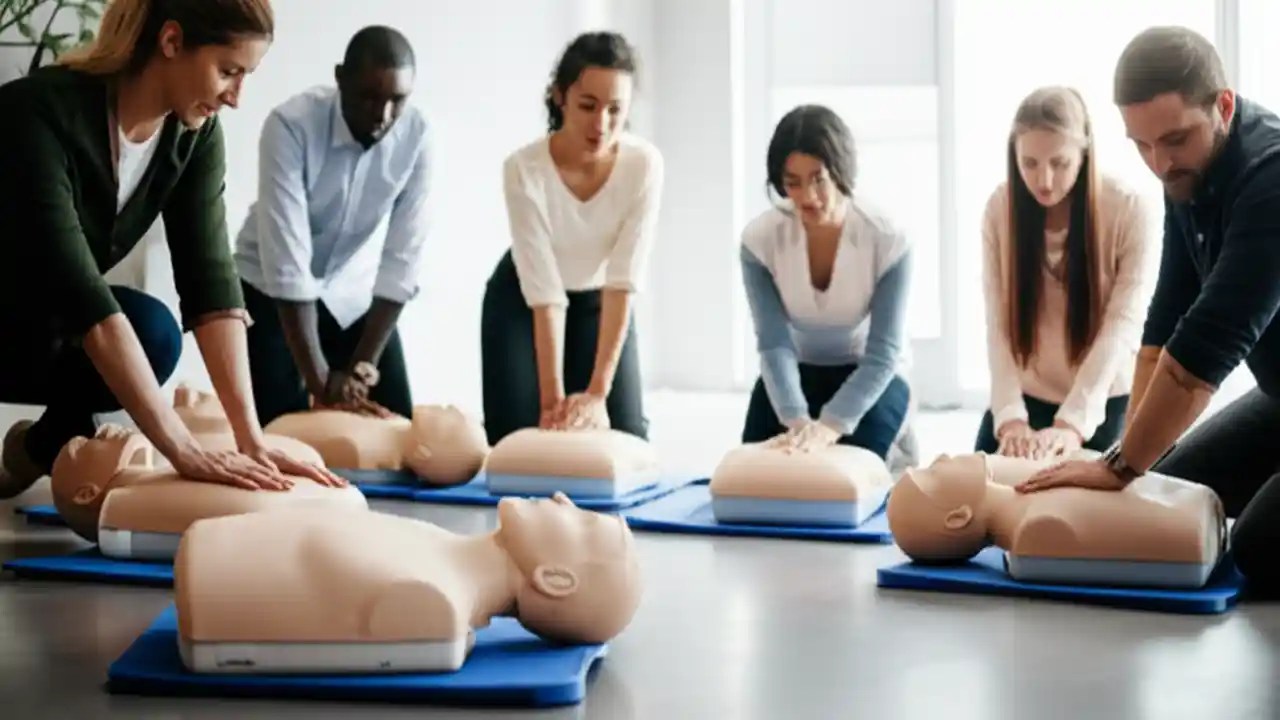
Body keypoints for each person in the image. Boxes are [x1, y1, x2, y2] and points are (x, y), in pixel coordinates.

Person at [0, 0, 342, 499]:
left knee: (154, 332)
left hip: (41, 321)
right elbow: (82, 296)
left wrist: (252, 440)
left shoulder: (193, 136)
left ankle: (28, 453)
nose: (236, 97)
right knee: (113, 325)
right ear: (171, 41)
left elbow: (211, 282)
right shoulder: (35, 113)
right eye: (228, 71)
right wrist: (182, 449)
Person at [1017, 26, 1280, 593]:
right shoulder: (1186, 167)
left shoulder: (1272, 181)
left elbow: (1206, 350)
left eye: (1175, 140)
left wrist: (1115, 467)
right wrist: (1128, 458)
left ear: (1224, 107)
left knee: (1261, 548)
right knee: (1164, 484)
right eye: (1141, 144)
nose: (1158, 163)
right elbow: (1166, 320)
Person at [234, 25, 429, 425]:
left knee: (397, 425)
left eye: (398, 100)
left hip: (348, 292)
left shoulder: (418, 136)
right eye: (370, 97)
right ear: (340, 78)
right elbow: (287, 263)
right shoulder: (289, 126)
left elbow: (401, 263)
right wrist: (319, 381)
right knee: (283, 430)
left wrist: (360, 372)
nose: (383, 115)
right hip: (267, 291)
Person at [480, 32, 664, 446]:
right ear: (560, 97)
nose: (601, 125)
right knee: (521, 441)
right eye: (587, 106)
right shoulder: (523, 169)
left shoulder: (644, 165)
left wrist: (598, 393)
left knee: (628, 437)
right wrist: (552, 403)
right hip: (523, 301)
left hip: (600, 297)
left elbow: (622, 280)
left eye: (616, 110)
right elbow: (545, 293)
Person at [975, 87, 1153, 460]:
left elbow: (1122, 325)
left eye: (1059, 163)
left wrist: (1072, 425)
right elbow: (997, 323)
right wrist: (1009, 418)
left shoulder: (1129, 209)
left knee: (1077, 507)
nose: (1044, 180)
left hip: (1103, 397)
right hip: (1026, 394)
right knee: (979, 498)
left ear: (1084, 154)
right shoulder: (999, 209)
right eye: (1030, 164)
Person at [738, 105, 912, 459]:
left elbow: (883, 354)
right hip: (797, 373)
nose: (807, 196)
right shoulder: (759, 241)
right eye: (792, 183)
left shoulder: (888, 238)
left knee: (848, 470)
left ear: (841, 172)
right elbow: (774, 345)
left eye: (819, 178)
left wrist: (830, 427)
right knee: (758, 469)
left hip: (872, 374)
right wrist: (798, 422)